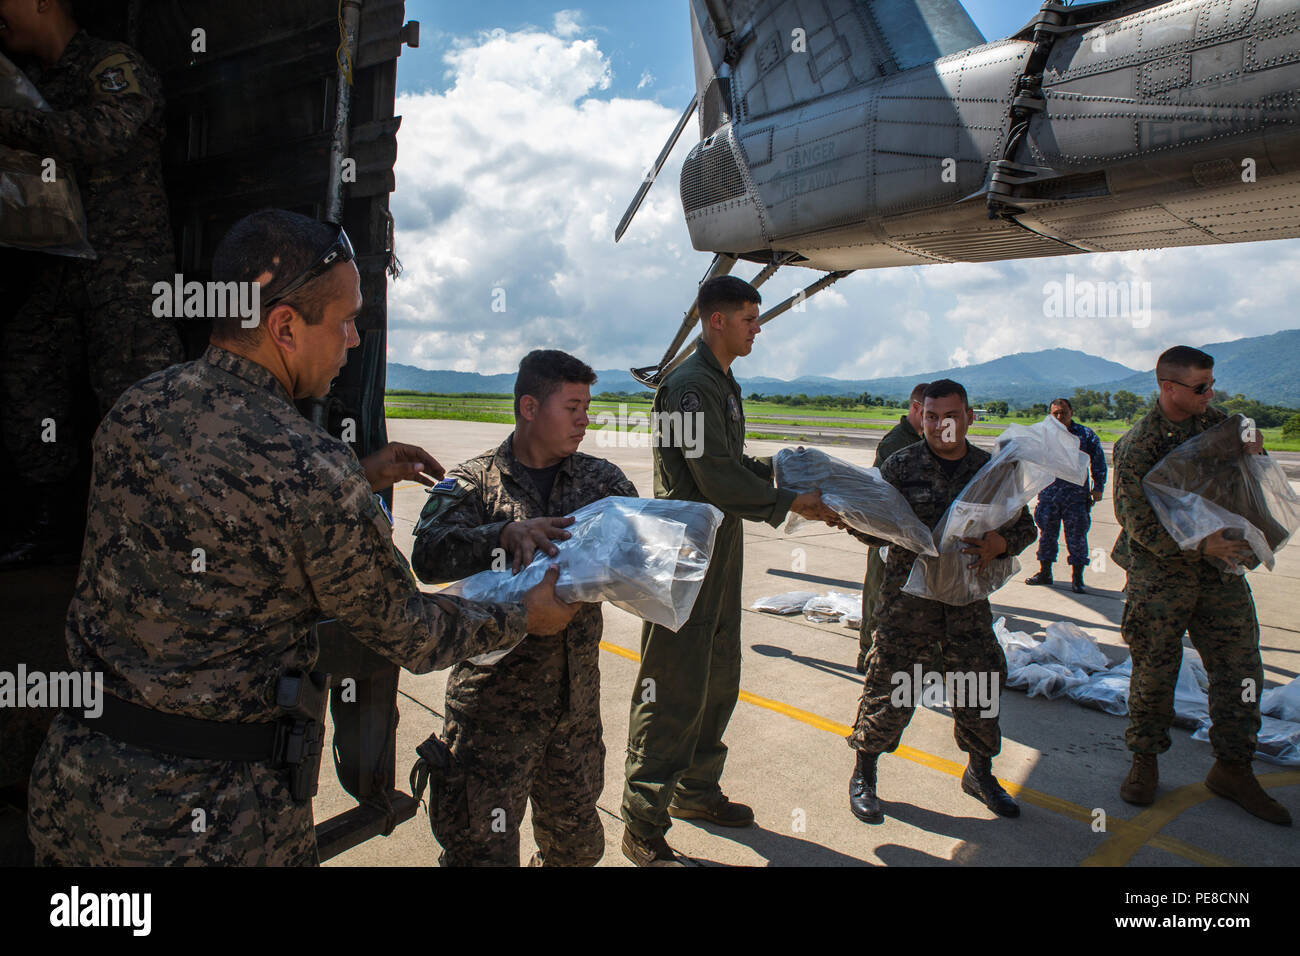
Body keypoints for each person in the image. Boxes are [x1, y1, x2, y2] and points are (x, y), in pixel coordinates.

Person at [25, 210, 578, 865]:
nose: (353, 341)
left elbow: (217, 519)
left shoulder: (138, 408)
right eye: (344, 322)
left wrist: (357, 476)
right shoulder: (309, 468)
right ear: (284, 327)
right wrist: (523, 615)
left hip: (77, 789)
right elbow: (411, 631)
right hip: (208, 822)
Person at [619, 275, 835, 866]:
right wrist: (789, 502)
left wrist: (781, 468)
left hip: (719, 545)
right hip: (687, 552)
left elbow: (730, 462)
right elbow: (713, 475)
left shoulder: (718, 381)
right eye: (749, 318)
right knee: (674, 684)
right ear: (717, 320)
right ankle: (642, 820)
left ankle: (695, 791)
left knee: (717, 673)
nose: (757, 329)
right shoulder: (690, 386)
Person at [408, 349, 638, 867]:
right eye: (573, 407)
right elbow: (428, 555)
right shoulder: (474, 481)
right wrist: (502, 536)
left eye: (587, 408)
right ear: (530, 407)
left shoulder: (602, 482)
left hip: (573, 713)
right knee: (479, 853)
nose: (585, 420)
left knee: (577, 851)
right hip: (492, 716)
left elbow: (636, 548)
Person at [0, 0, 183, 567]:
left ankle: (156, 540)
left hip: (125, 267)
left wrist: (9, 124)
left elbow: (105, 132)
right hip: (54, 265)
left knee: (139, 402)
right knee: (26, 383)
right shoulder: (31, 82)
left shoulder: (110, 65)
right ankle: (54, 523)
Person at [843, 379, 1036, 824]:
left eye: (950, 416)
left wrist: (1000, 544)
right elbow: (870, 528)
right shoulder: (900, 466)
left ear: (969, 418)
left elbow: (1025, 528)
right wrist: (855, 517)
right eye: (931, 416)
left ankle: (979, 774)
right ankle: (864, 773)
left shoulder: (991, 471)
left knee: (979, 692)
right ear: (921, 417)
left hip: (966, 610)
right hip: (907, 608)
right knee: (889, 692)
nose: (939, 425)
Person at [1112, 346, 1289, 824]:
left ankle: (1233, 766)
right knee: (1154, 672)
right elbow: (1135, 522)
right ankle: (1144, 760)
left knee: (1242, 671)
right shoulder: (1138, 444)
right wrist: (1198, 545)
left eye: (1211, 384)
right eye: (1200, 387)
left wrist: (1256, 453)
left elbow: (1246, 486)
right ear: (1168, 387)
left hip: (1219, 574)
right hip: (1161, 577)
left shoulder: (1221, 428)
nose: (1210, 394)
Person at [857, 382, 927, 673]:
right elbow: (881, 493)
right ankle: (867, 653)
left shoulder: (924, 440)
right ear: (916, 408)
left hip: (909, 536)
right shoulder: (896, 443)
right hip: (885, 534)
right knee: (878, 593)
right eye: (930, 414)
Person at [1025, 398, 1107, 593]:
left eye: (1063, 412)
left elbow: (1098, 461)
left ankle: (1077, 578)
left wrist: (1098, 486)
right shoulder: (1043, 435)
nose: (1060, 417)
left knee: (1077, 537)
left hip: (1076, 497)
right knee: (1047, 535)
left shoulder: (1085, 435)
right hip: (1049, 495)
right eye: (1055, 413)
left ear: (1071, 413)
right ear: (1050, 415)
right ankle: (1045, 573)